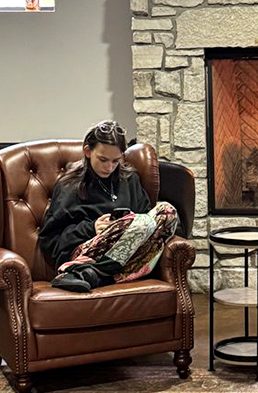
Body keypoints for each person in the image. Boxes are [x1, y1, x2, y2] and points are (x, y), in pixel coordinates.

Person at [39, 120, 178, 293]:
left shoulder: (129, 179)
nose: (109, 167)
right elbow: (50, 239)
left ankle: (95, 276)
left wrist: (129, 226)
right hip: (86, 252)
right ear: (88, 151)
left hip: (130, 248)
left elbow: (147, 222)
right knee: (142, 224)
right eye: (103, 159)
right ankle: (85, 270)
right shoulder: (70, 185)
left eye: (115, 161)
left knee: (166, 211)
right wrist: (92, 228)